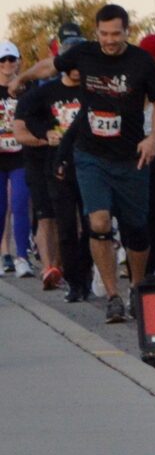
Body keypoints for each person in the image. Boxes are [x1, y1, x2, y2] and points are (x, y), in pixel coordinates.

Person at [13, 5, 155, 321]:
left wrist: (153, 138)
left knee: (136, 231)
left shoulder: (141, 62)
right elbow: (49, 67)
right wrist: (24, 77)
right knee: (97, 222)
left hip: (130, 157)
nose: (109, 41)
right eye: (104, 34)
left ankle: (136, 286)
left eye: (116, 34)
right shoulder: (83, 53)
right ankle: (113, 295)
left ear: (127, 31)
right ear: (96, 32)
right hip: (90, 155)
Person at [12, 49, 86, 293]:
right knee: (50, 217)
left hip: (88, 162)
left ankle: (78, 270)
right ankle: (51, 267)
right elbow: (23, 123)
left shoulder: (94, 89)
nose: (77, 68)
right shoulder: (44, 92)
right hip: (49, 163)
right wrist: (46, 135)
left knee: (88, 222)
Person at [0, 43, 30, 278]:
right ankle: (3, 256)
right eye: (2, 61)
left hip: (21, 156)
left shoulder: (27, 88)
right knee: (1, 209)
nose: (7, 65)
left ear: (19, 60)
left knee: (20, 205)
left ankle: (22, 257)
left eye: (11, 59)